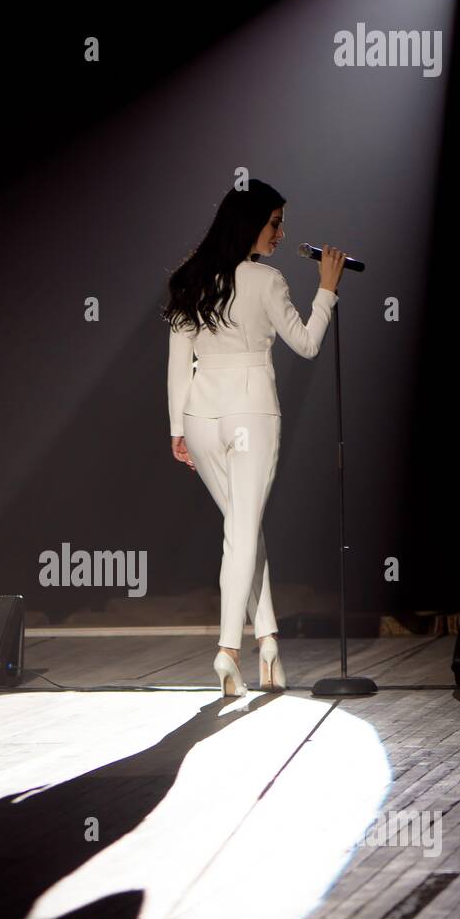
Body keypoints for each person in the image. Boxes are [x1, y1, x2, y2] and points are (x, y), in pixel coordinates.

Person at [164, 180, 346, 696]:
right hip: (250, 414)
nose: (281, 233)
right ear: (248, 223)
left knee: (243, 528)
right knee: (241, 530)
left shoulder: (190, 278)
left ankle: (267, 641)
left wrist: (178, 428)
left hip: (201, 415)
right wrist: (327, 289)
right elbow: (307, 344)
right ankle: (227, 649)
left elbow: (179, 363)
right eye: (274, 222)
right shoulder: (267, 281)